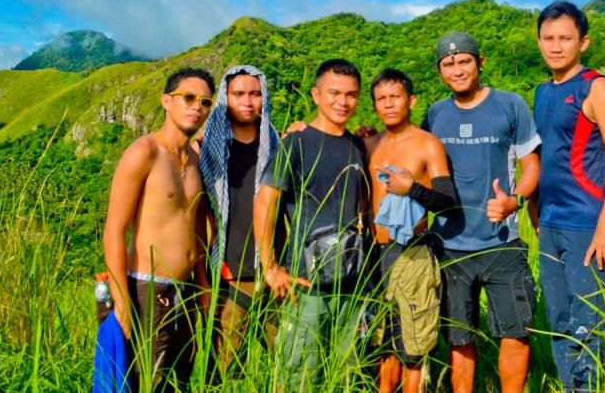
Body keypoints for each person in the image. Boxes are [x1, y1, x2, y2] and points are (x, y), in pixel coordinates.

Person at [422, 31, 541, 393]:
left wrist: (515, 200)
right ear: (441, 71)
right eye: (449, 64)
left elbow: (532, 167)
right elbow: (413, 155)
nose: (457, 69)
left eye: (464, 61)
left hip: (502, 242)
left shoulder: (511, 105)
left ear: (479, 62)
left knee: (516, 331)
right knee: (459, 336)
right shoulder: (435, 114)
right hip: (451, 244)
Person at [253, 59, 371, 393]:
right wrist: (270, 266)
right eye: (334, 93)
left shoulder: (357, 145)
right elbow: (266, 201)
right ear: (316, 95)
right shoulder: (298, 142)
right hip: (305, 282)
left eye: (351, 95)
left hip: (350, 281)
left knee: (344, 373)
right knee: (300, 375)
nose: (342, 102)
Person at [533, 1, 605, 392]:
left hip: (587, 223)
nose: (556, 46)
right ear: (539, 41)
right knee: (558, 319)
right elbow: (546, 157)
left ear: (583, 42)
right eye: (548, 38)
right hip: (550, 223)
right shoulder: (542, 92)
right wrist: (535, 210)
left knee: (588, 321)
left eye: (565, 38)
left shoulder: (596, 87)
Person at [101, 68, 216, 389]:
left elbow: (196, 230)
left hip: (186, 291)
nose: (197, 107)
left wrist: (203, 287)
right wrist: (121, 298)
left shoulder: (194, 159)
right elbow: (114, 229)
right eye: (188, 98)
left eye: (205, 102)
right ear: (167, 101)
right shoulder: (144, 152)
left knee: (178, 382)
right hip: (147, 290)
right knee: (148, 382)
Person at [366, 68, 459, 393]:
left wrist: (413, 189)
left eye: (395, 97)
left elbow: (449, 203)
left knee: (413, 347)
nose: (388, 104)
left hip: (413, 253)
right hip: (375, 255)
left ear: (411, 100)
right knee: (382, 343)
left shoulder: (427, 144)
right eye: (381, 99)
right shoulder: (370, 143)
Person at [197, 65, 281, 374]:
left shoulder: (278, 147)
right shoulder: (208, 150)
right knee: (226, 368)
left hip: (274, 271)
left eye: (255, 94)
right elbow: (197, 213)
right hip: (230, 273)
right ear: (225, 98)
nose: (247, 102)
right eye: (238, 94)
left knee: (283, 363)